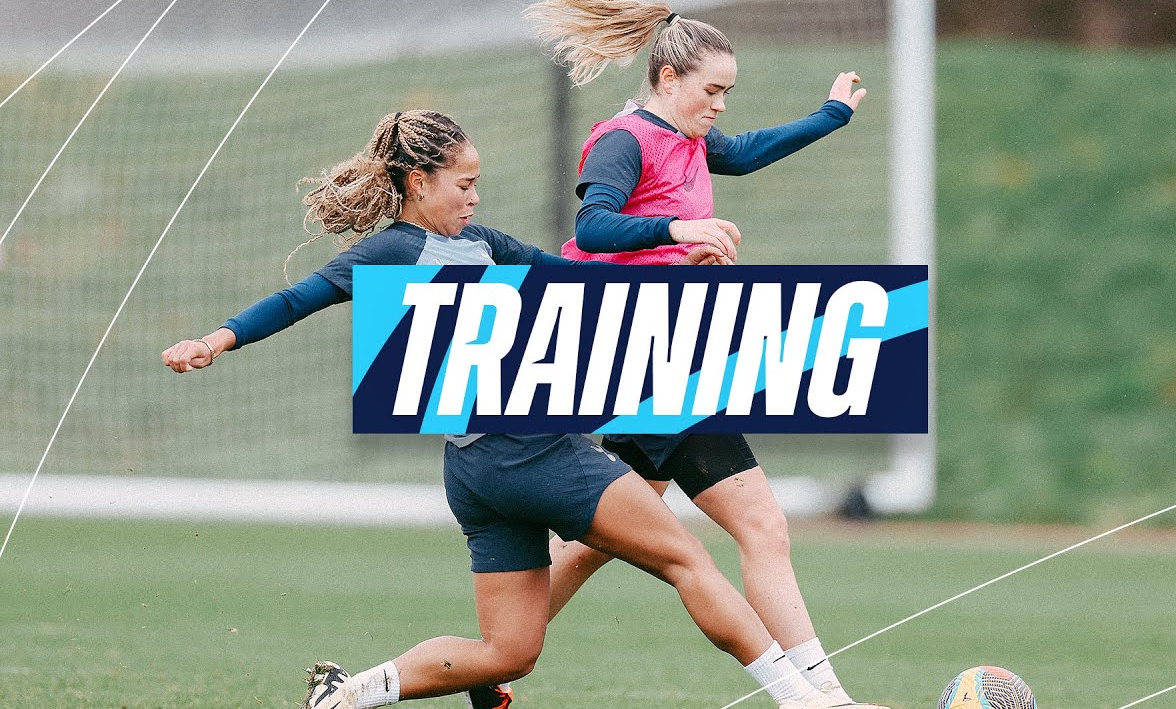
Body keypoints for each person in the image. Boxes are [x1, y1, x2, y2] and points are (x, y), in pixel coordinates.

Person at [160, 109, 855, 709]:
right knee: (687, 560)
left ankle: (349, 694)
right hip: (537, 450)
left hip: (476, 475)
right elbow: (296, 299)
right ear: (417, 181)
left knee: (508, 653)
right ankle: (803, 699)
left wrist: (675, 248)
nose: (473, 196)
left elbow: (577, 274)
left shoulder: (482, 243)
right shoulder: (393, 251)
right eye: (462, 184)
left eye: (476, 183)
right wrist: (215, 340)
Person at [519, 0, 885, 709]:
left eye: (728, 92)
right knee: (735, 527)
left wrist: (831, 116)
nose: (720, 105)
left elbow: (744, 154)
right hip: (633, 355)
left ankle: (494, 657)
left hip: (671, 354)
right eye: (711, 90)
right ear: (667, 79)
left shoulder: (683, 139)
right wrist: (677, 236)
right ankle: (823, 701)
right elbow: (593, 229)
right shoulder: (625, 140)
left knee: (645, 534)